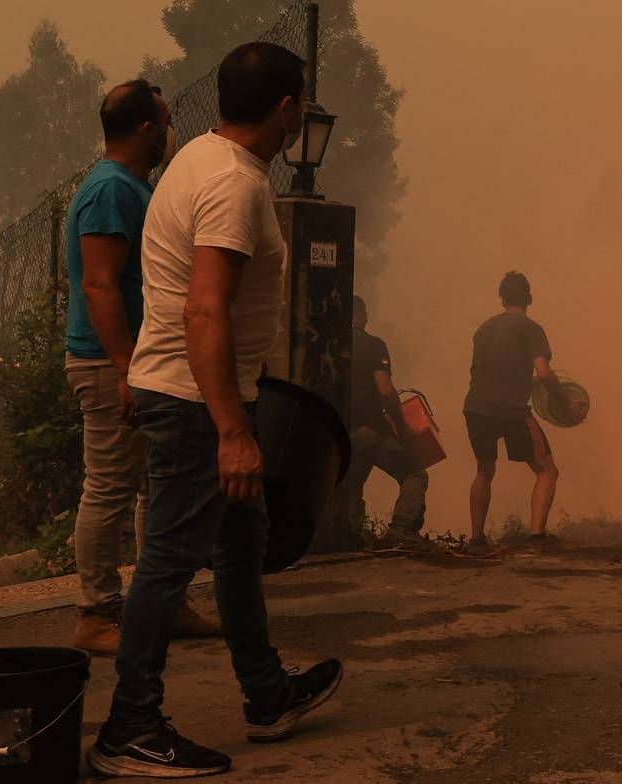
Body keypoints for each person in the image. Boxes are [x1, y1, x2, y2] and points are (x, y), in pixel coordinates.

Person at [90, 42, 342, 778]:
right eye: (301, 103)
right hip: (197, 401)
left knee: (238, 543)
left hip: (196, 392)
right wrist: (234, 431)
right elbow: (205, 312)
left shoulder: (197, 157)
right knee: (167, 563)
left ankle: (267, 696)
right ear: (288, 109)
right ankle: (129, 727)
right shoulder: (233, 185)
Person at [64, 79, 220, 655]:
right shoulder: (109, 190)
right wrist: (126, 366)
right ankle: (95, 614)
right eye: (167, 118)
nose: (171, 129)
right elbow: (100, 282)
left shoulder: (131, 187)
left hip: (136, 363)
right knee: (108, 487)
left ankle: (164, 601)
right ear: (149, 130)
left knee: (153, 489)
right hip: (111, 365)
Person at [462, 271, 570, 553]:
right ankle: (536, 538)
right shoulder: (531, 328)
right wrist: (561, 398)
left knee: (484, 470)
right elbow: (544, 373)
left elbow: (489, 369)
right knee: (547, 470)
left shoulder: (483, 329)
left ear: (502, 299)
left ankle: (477, 540)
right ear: (530, 298)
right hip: (511, 410)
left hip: (475, 407)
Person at [349, 295, 429, 549]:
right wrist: (402, 428)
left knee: (350, 486)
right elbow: (385, 392)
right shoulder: (373, 345)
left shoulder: (329, 345)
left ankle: (349, 535)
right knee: (414, 473)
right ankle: (401, 531)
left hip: (339, 433)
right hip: (371, 430)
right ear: (362, 315)